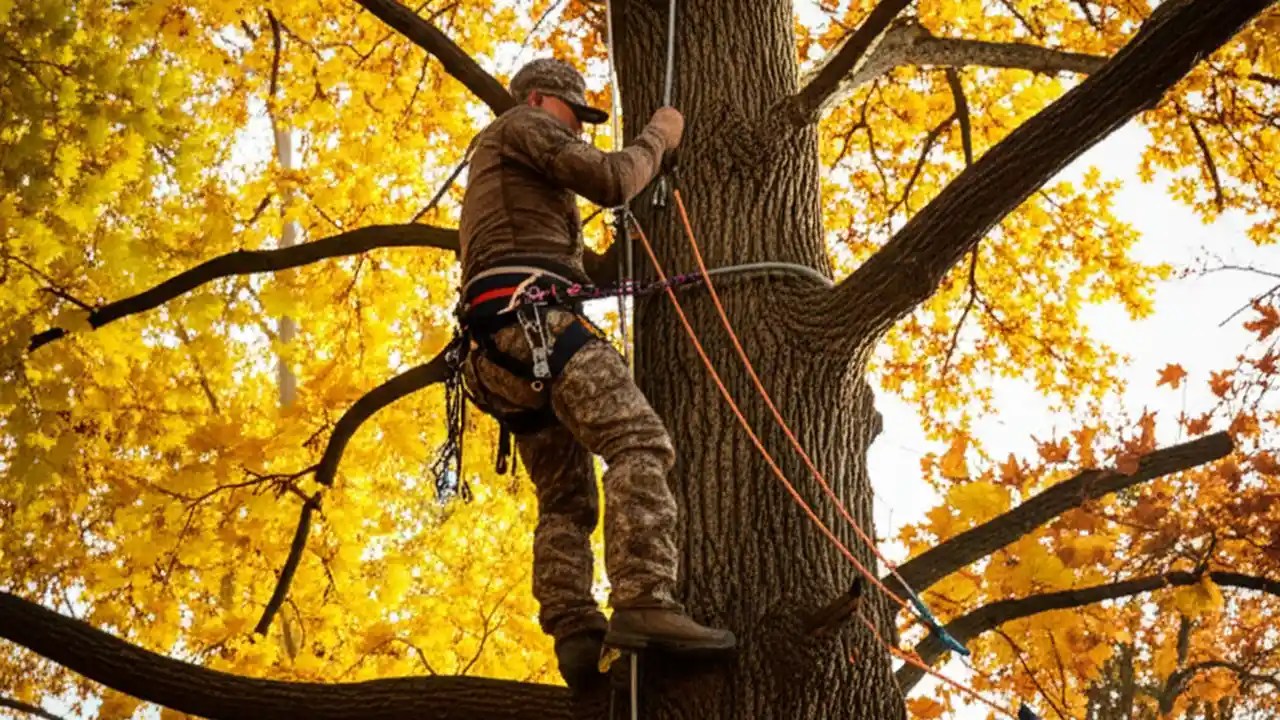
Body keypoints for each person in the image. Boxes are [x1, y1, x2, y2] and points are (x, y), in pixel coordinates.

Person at [454, 57, 735, 691]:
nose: (578, 128)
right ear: (535, 98)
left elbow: (566, 263)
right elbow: (610, 178)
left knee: (566, 500)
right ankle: (645, 597)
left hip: (501, 348)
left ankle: (576, 632)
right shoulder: (520, 125)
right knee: (638, 440)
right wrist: (660, 136)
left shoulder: (502, 183)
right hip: (537, 328)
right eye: (572, 114)